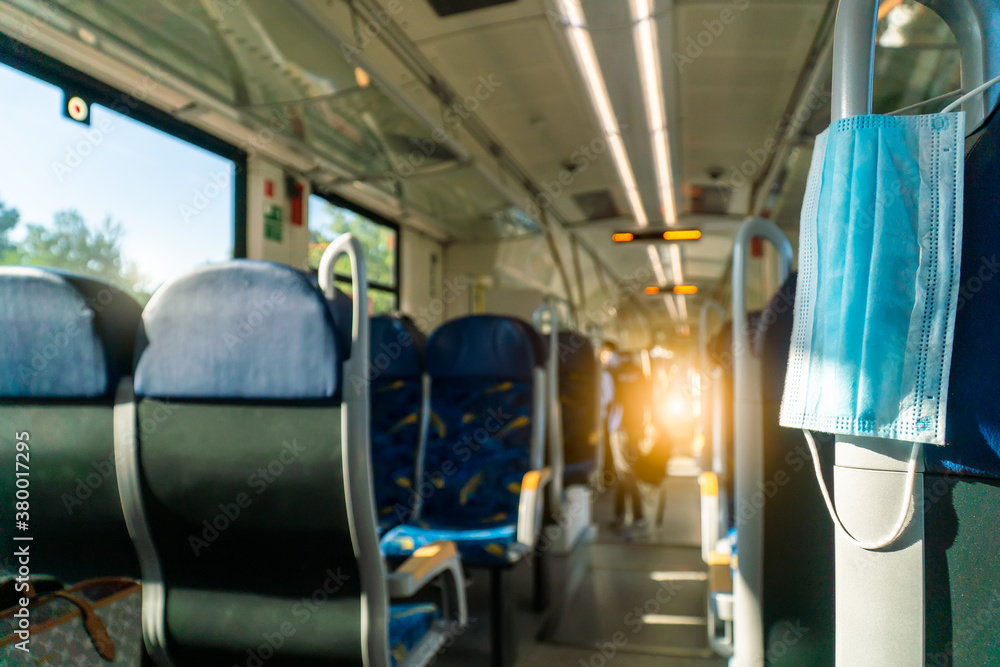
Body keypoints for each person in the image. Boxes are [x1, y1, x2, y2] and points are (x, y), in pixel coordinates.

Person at [610, 351, 650, 530]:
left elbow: (611, 401)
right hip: (635, 427)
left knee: (625, 474)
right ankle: (623, 515)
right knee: (626, 472)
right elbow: (647, 400)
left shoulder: (615, 373)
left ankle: (636, 515)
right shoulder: (639, 373)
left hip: (620, 429)